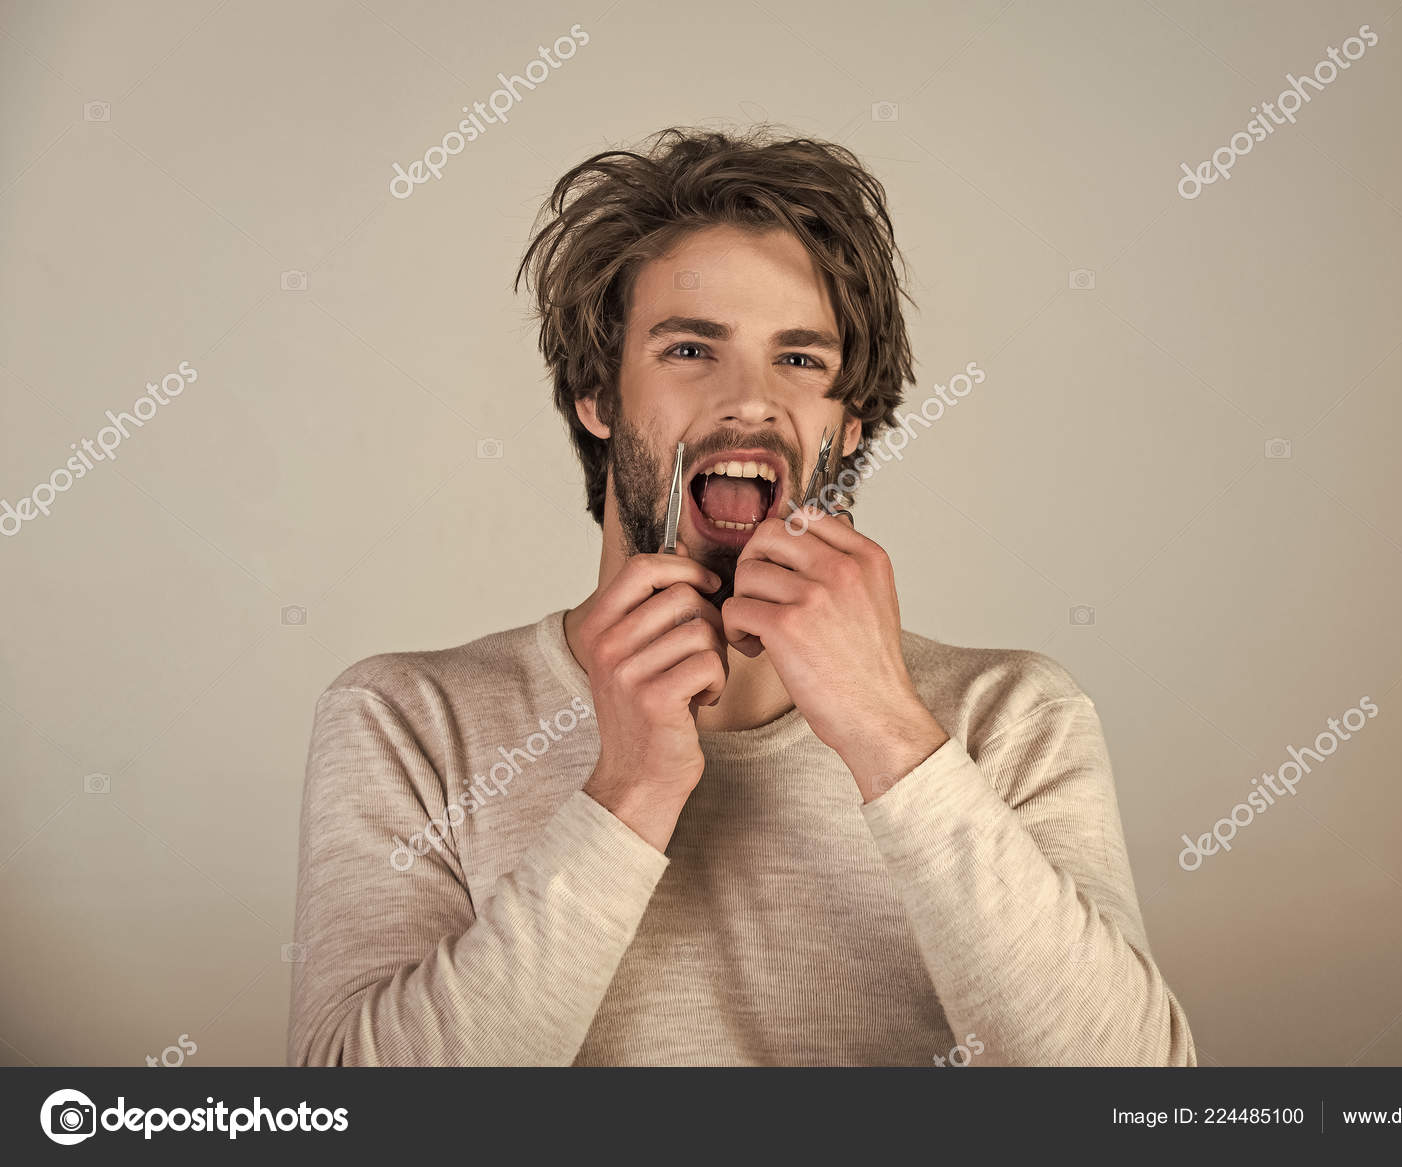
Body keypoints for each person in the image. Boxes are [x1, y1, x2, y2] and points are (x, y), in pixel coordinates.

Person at [287, 126, 1195, 1066]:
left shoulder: (1013, 718)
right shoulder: (409, 723)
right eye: (690, 348)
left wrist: (891, 738)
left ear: (848, 422)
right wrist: (628, 793)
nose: (751, 400)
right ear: (598, 395)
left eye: (799, 360)